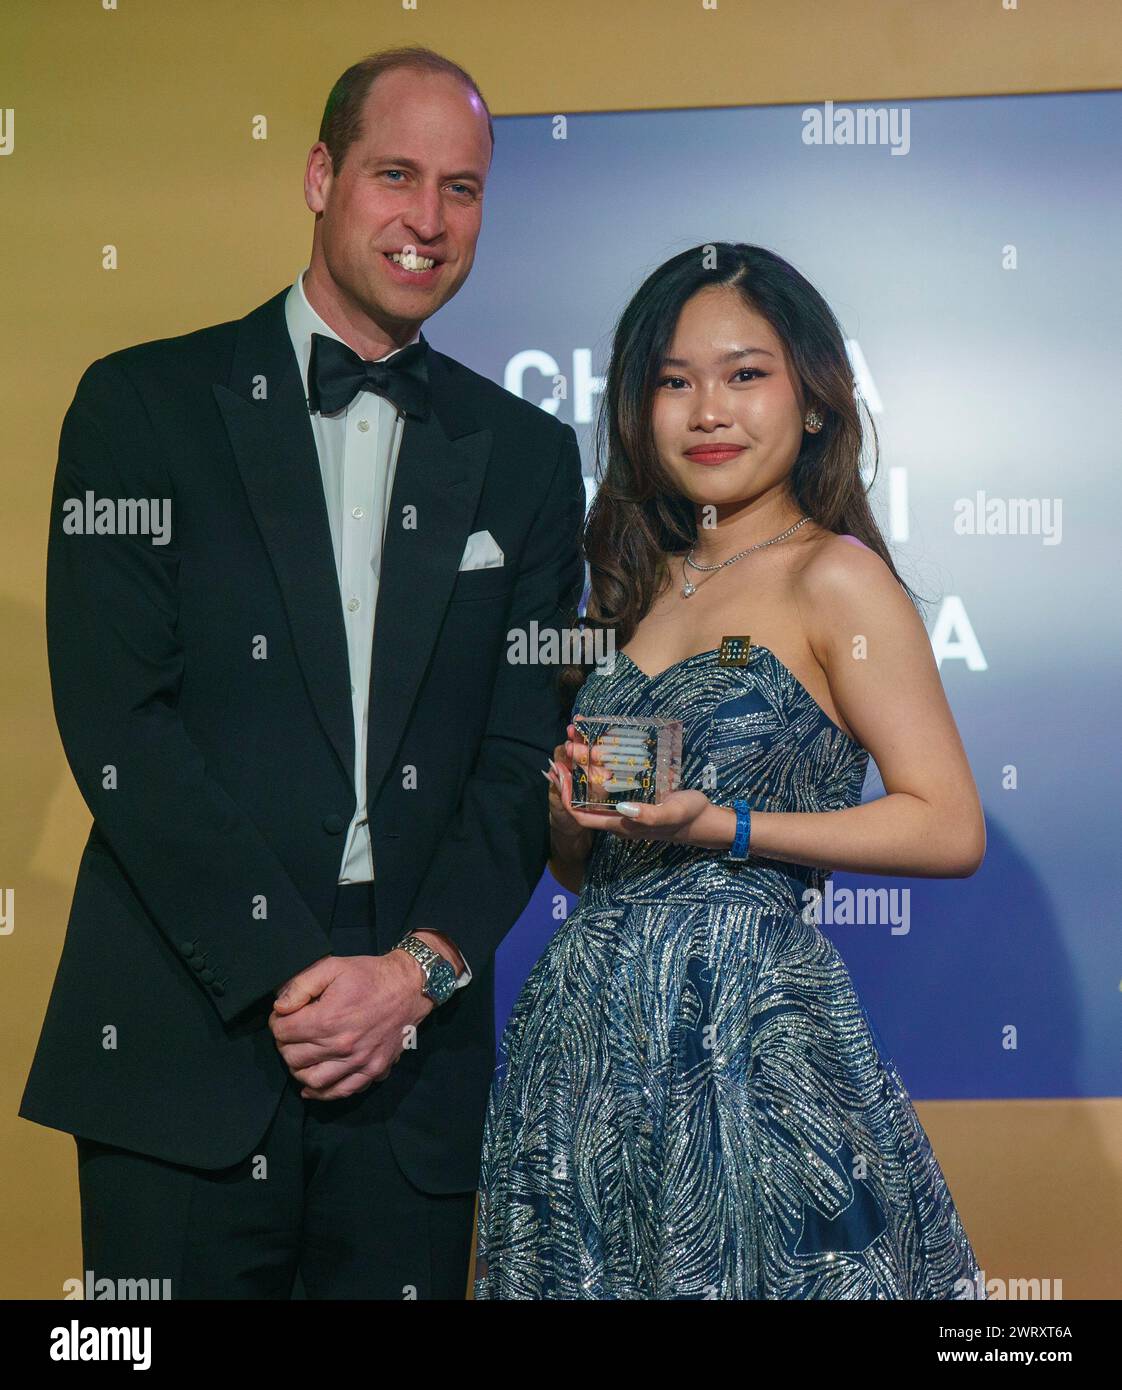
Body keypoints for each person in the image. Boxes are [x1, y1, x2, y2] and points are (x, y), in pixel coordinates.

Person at [19, 46, 584, 1299]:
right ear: (322, 176)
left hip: (414, 1064)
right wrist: (295, 971)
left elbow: (517, 758)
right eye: (396, 175)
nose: (428, 221)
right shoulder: (139, 407)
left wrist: (412, 974)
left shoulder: (532, 460)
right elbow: (119, 721)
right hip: (185, 1030)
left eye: (463, 188)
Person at [473, 242, 986, 1300]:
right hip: (585, 1039)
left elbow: (948, 824)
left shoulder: (832, 578)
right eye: (675, 380)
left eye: (745, 375)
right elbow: (586, 870)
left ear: (812, 402)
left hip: (748, 1035)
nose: (708, 410)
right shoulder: (630, 580)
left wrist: (732, 828)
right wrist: (575, 822)